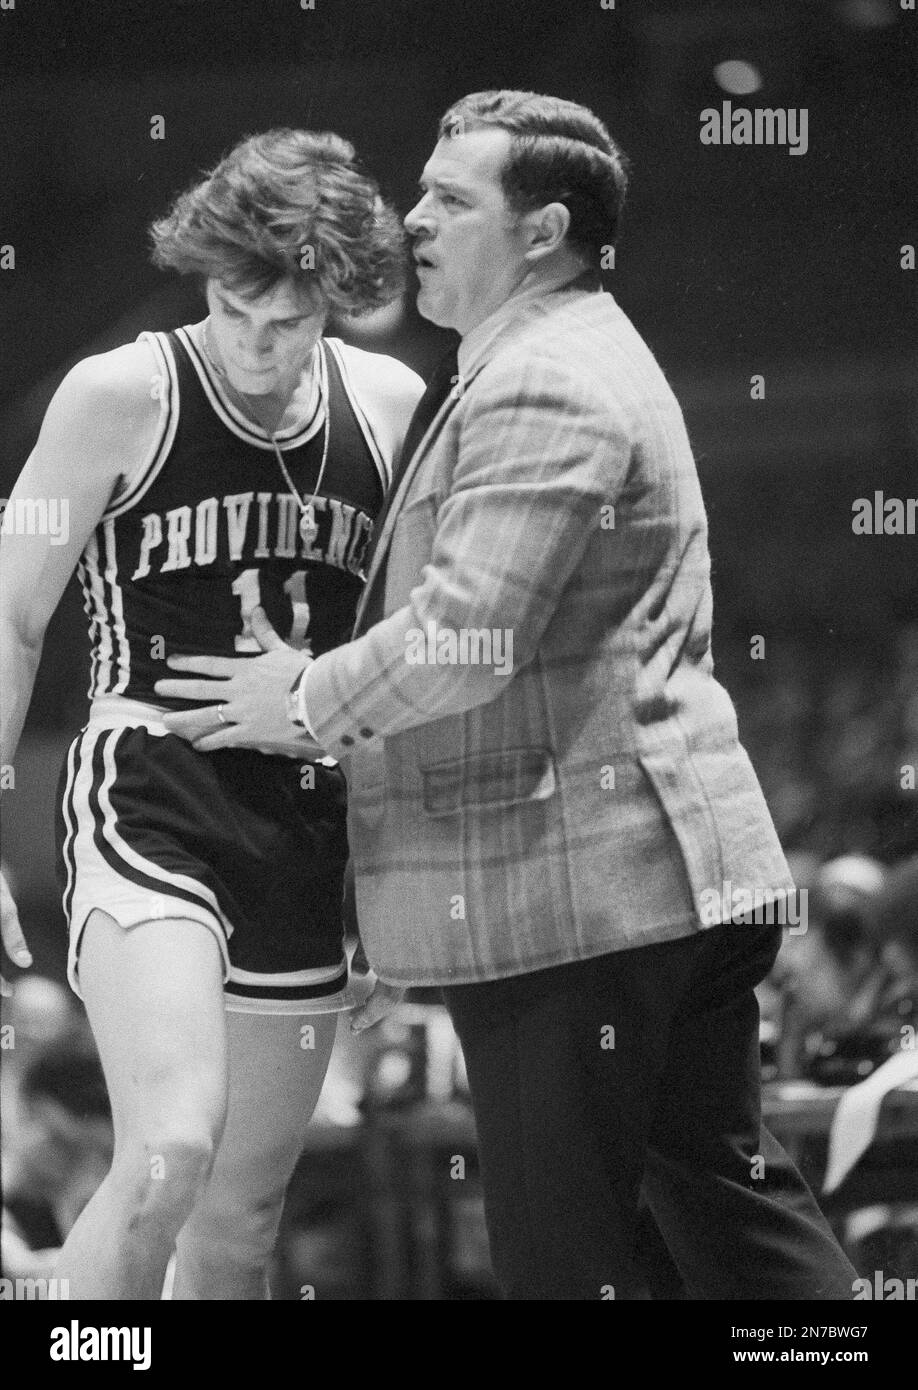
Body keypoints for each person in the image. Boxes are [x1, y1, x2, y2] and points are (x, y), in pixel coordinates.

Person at [152, 91, 860, 1299]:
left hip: (577, 894)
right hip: (634, 884)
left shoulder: (545, 377)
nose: (413, 216)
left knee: (575, 1259)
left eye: (450, 198)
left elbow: (465, 636)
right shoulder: (540, 357)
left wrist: (299, 697)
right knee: (722, 1234)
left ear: (542, 232)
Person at [0, 127, 423, 1299]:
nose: (255, 343)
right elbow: (10, 614)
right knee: (167, 1154)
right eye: (234, 312)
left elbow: (405, 658)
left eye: (286, 323)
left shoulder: (391, 404)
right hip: (150, 791)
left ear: (338, 301)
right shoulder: (119, 393)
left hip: (307, 817)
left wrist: (390, 864)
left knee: (238, 1226)